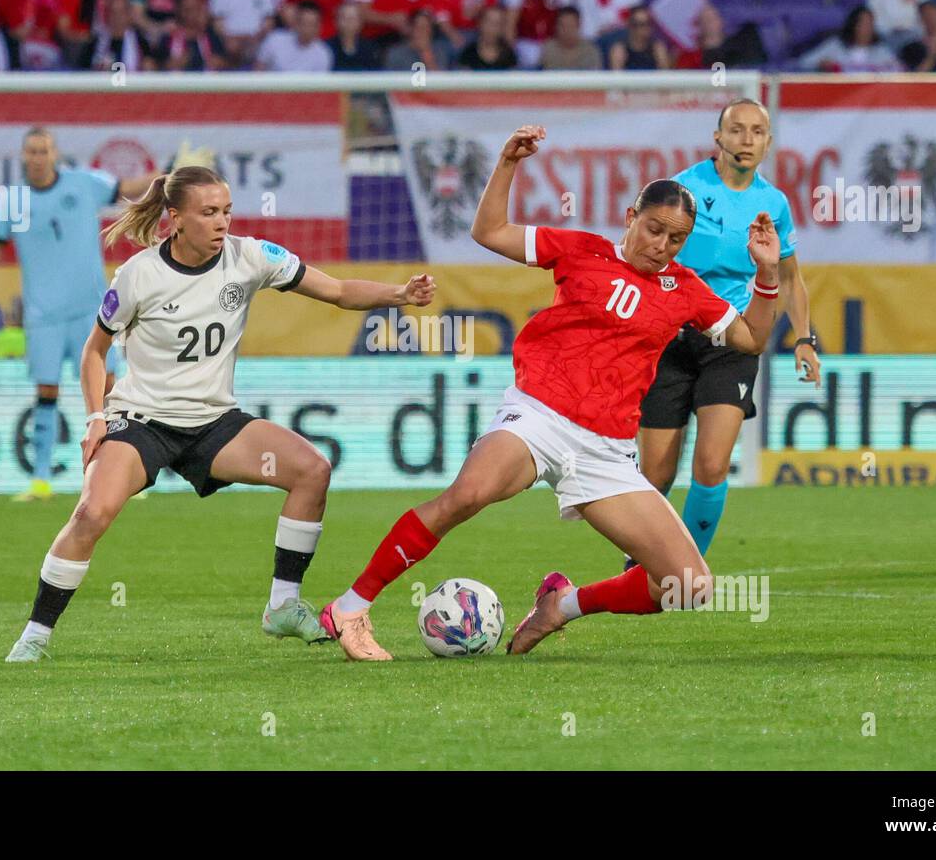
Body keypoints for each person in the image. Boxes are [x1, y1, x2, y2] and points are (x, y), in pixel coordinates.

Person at [318, 125, 781, 661]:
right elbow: (489, 231)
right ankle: (350, 608)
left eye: (675, 238)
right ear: (631, 218)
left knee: (688, 586)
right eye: (654, 229)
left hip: (606, 449)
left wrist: (766, 275)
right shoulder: (580, 249)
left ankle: (561, 606)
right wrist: (508, 162)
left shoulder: (685, 291)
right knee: (467, 496)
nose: (661, 245)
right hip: (539, 414)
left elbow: (751, 337)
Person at [3, 164, 437, 662]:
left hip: (213, 422)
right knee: (92, 512)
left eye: (227, 211)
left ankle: (282, 606)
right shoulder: (139, 274)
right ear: (175, 218)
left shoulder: (250, 257)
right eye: (208, 213)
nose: (221, 222)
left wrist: (399, 295)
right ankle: (34, 635)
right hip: (142, 420)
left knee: (311, 471)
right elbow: (93, 353)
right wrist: (96, 418)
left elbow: (336, 291)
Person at [629, 99, 815, 567]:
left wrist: (804, 338)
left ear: (768, 143)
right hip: (671, 339)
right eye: (737, 130)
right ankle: (643, 562)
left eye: (757, 132)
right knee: (655, 474)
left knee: (711, 463)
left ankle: (684, 570)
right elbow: (646, 255)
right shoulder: (683, 191)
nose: (746, 140)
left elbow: (790, 277)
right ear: (718, 137)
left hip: (733, 338)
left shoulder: (773, 203)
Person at [0, 127, 159, 503]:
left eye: (43, 150)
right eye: (31, 151)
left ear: (54, 154)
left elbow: (130, 189)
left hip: (91, 312)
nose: (37, 157)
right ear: (23, 156)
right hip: (43, 316)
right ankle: (41, 480)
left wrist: (169, 175)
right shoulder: (14, 201)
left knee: (108, 391)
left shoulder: (83, 183)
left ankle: (122, 474)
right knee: (46, 393)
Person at [796, 4, 900, 72]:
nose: (868, 28)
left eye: (870, 24)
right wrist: (821, 64)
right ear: (853, 25)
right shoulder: (835, 46)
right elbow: (804, 63)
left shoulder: (881, 51)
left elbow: (898, 70)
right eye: (863, 24)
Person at [78, 0, 152, 72]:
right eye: (113, 12)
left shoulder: (140, 40)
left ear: (129, 15)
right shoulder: (96, 41)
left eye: (121, 13)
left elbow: (150, 67)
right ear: (107, 15)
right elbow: (83, 71)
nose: (117, 17)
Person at [255, 0, 332, 72]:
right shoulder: (274, 40)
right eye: (303, 23)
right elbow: (258, 72)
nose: (307, 29)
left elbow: (319, 85)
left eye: (311, 24)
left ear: (318, 27)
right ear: (295, 23)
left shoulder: (323, 53)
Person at [159, 0, 224, 71]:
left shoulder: (211, 36)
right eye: (187, 9)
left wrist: (220, 63)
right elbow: (159, 66)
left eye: (195, 9)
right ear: (180, 11)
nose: (191, 13)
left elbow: (224, 63)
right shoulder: (168, 38)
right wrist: (170, 64)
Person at [383, 6, 449, 70]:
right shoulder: (396, 53)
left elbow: (439, 79)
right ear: (411, 28)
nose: (422, 32)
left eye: (426, 28)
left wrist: (426, 52)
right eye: (418, 27)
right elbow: (390, 79)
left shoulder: (440, 51)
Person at [608, 2, 670, 70]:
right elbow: (616, 78)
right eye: (641, 24)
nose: (646, 28)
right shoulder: (620, 50)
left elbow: (666, 76)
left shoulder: (658, 48)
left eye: (649, 23)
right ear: (631, 26)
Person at [456, 4, 516, 69]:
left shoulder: (509, 55)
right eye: (489, 22)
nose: (492, 28)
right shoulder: (468, 53)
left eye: (497, 24)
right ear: (480, 23)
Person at [538, 4, 599, 69]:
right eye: (563, 26)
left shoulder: (590, 51)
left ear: (579, 25)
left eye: (570, 26)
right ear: (556, 26)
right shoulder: (548, 49)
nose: (567, 30)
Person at [328, 0, 380, 70]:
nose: (348, 22)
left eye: (353, 18)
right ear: (335, 22)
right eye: (344, 18)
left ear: (361, 23)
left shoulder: (370, 49)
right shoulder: (326, 49)